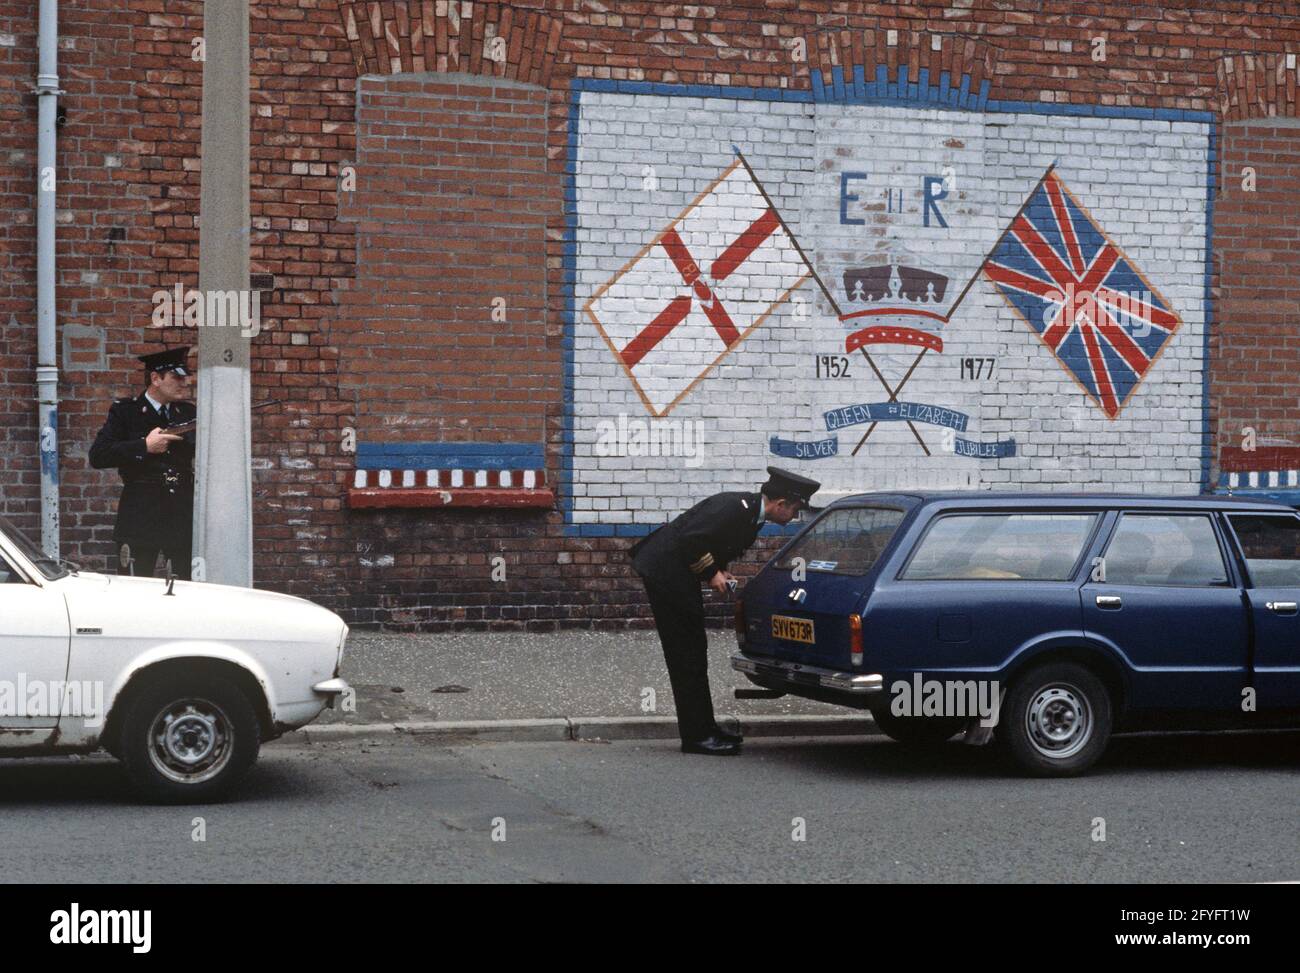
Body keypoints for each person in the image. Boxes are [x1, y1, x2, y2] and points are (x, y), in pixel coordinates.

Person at [631, 467, 821, 756]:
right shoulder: (736, 508)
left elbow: (711, 542)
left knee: (693, 653)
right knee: (688, 655)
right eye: (794, 510)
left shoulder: (750, 513)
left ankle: (703, 729)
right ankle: (697, 737)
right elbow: (690, 540)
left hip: (675, 573)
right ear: (780, 504)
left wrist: (720, 570)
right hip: (667, 574)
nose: (794, 517)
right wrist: (711, 574)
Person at [89, 347, 196, 579]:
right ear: (155, 378)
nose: (184, 383)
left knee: (186, 589)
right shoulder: (126, 412)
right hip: (140, 514)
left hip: (180, 513)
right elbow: (98, 455)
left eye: (184, 376)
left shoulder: (188, 413)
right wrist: (144, 446)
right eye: (176, 377)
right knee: (135, 588)